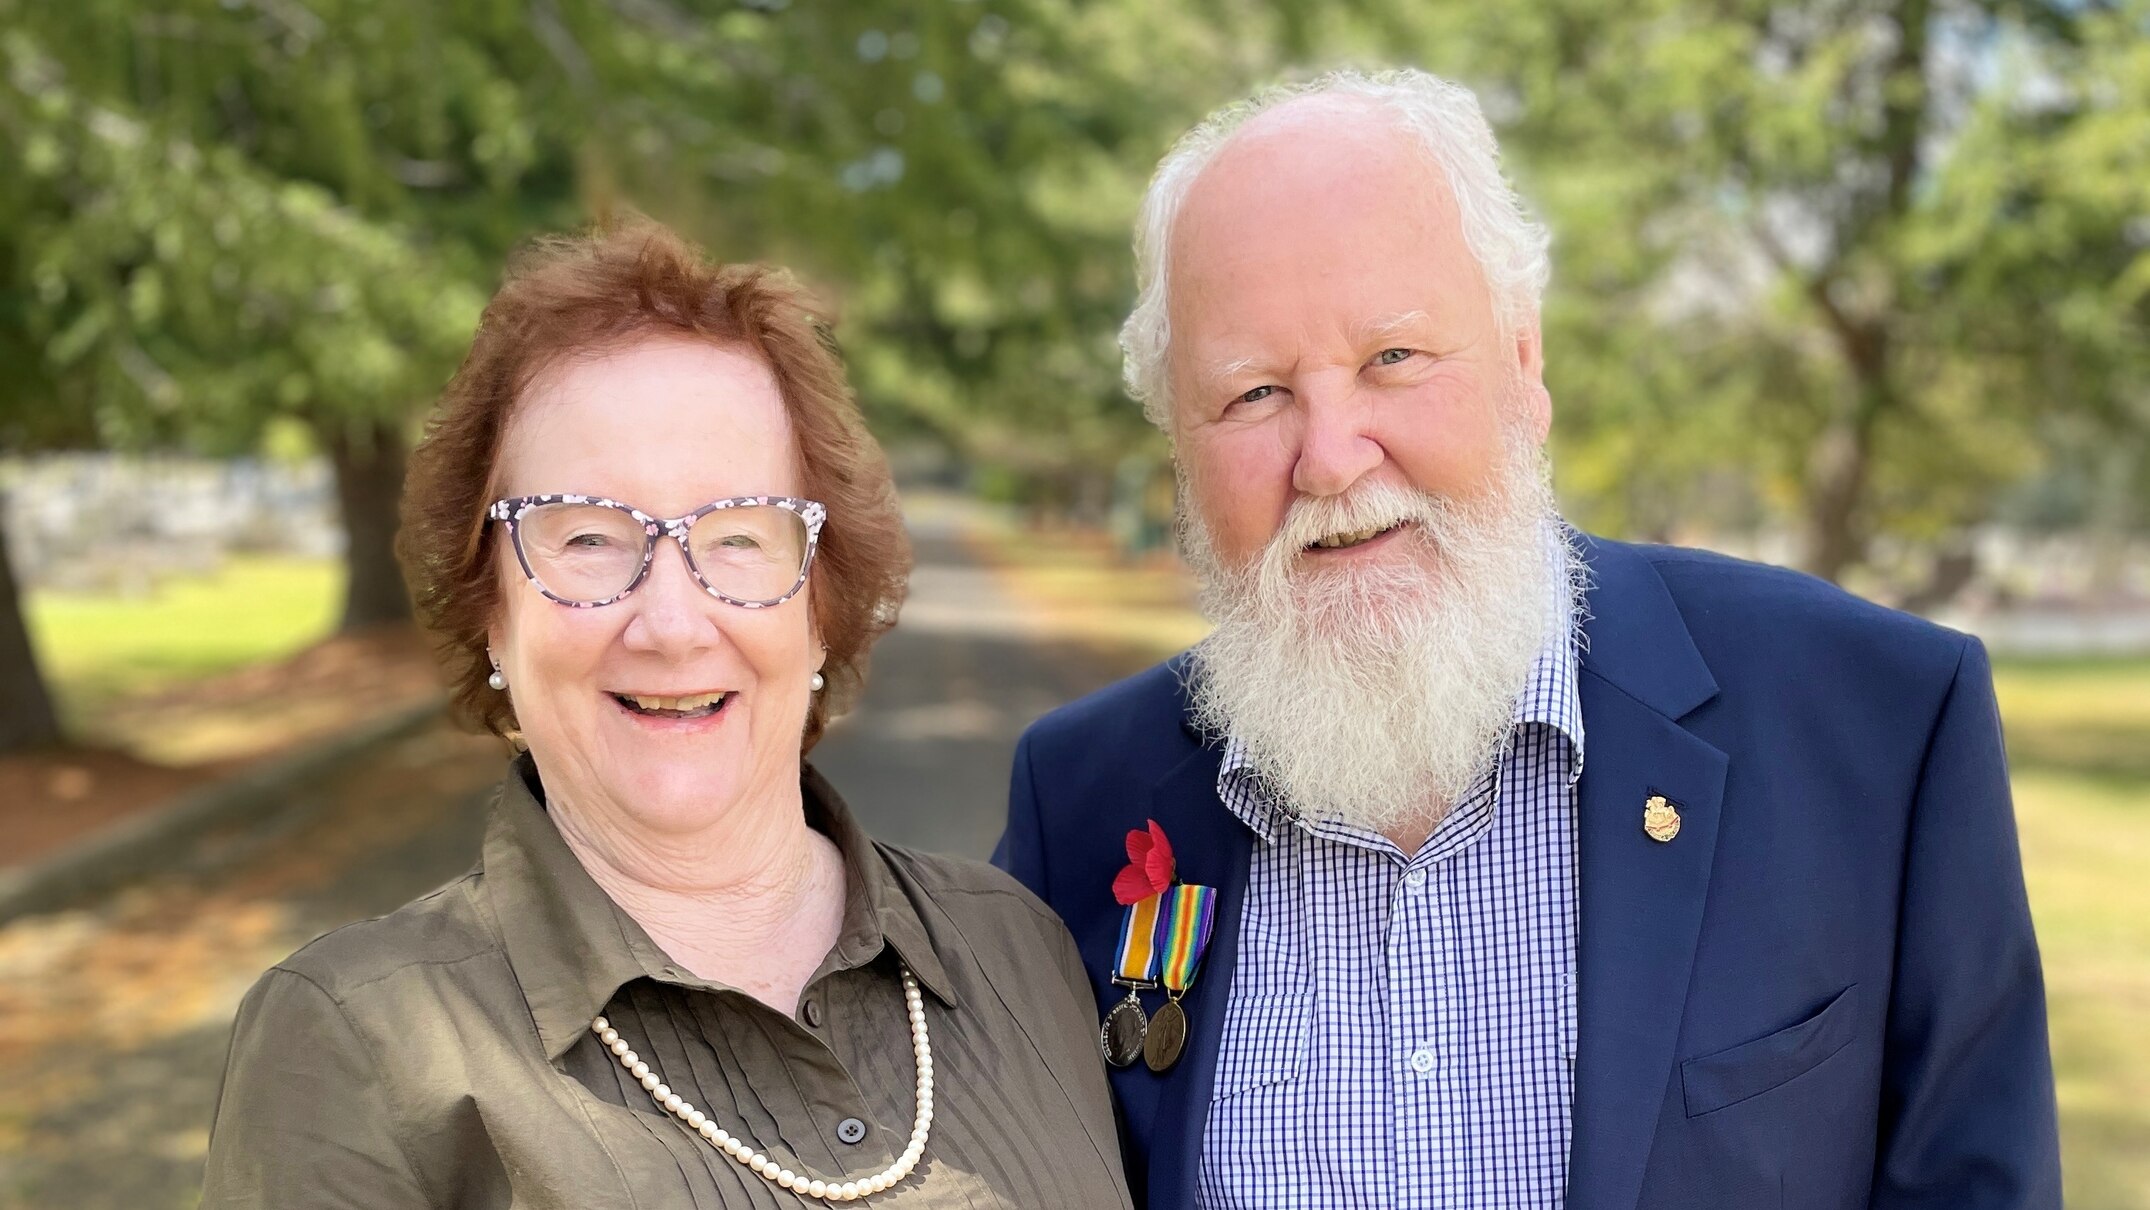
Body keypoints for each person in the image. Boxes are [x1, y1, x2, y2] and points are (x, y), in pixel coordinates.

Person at [995, 68, 2060, 1210]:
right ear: (1177, 445)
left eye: (1390, 358)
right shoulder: (1083, 802)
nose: (1331, 457)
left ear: (1521, 361)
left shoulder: (1878, 724)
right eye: (1253, 393)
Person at [202, 223, 1133, 1209]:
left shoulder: (1019, 948)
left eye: (737, 537)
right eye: (589, 537)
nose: (671, 621)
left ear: (820, 607)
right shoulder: (356, 1042)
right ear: (490, 612)